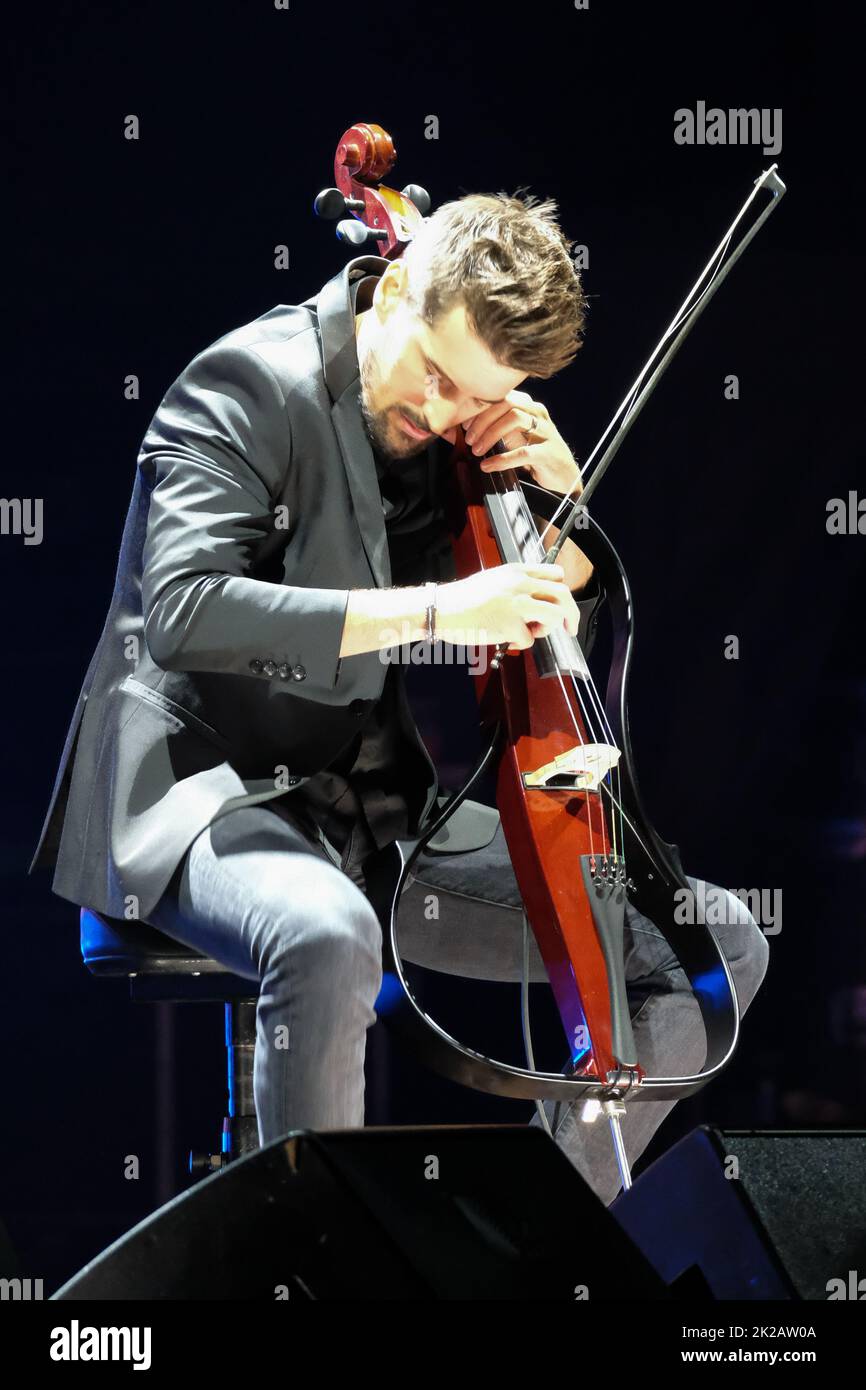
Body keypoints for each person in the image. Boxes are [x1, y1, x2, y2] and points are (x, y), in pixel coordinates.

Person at [29, 191, 768, 1206]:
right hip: (198, 789)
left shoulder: (450, 431)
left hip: (361, 812)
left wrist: (561, 511)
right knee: (327, 934)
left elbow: (529, 627)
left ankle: (542, 1238)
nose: (448, 415)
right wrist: (431, 610)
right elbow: (185, 612)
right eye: (435, 374)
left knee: (715, 944)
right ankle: (312, 1266)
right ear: (398, 286)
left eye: (479, 398)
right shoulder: (249, 380)